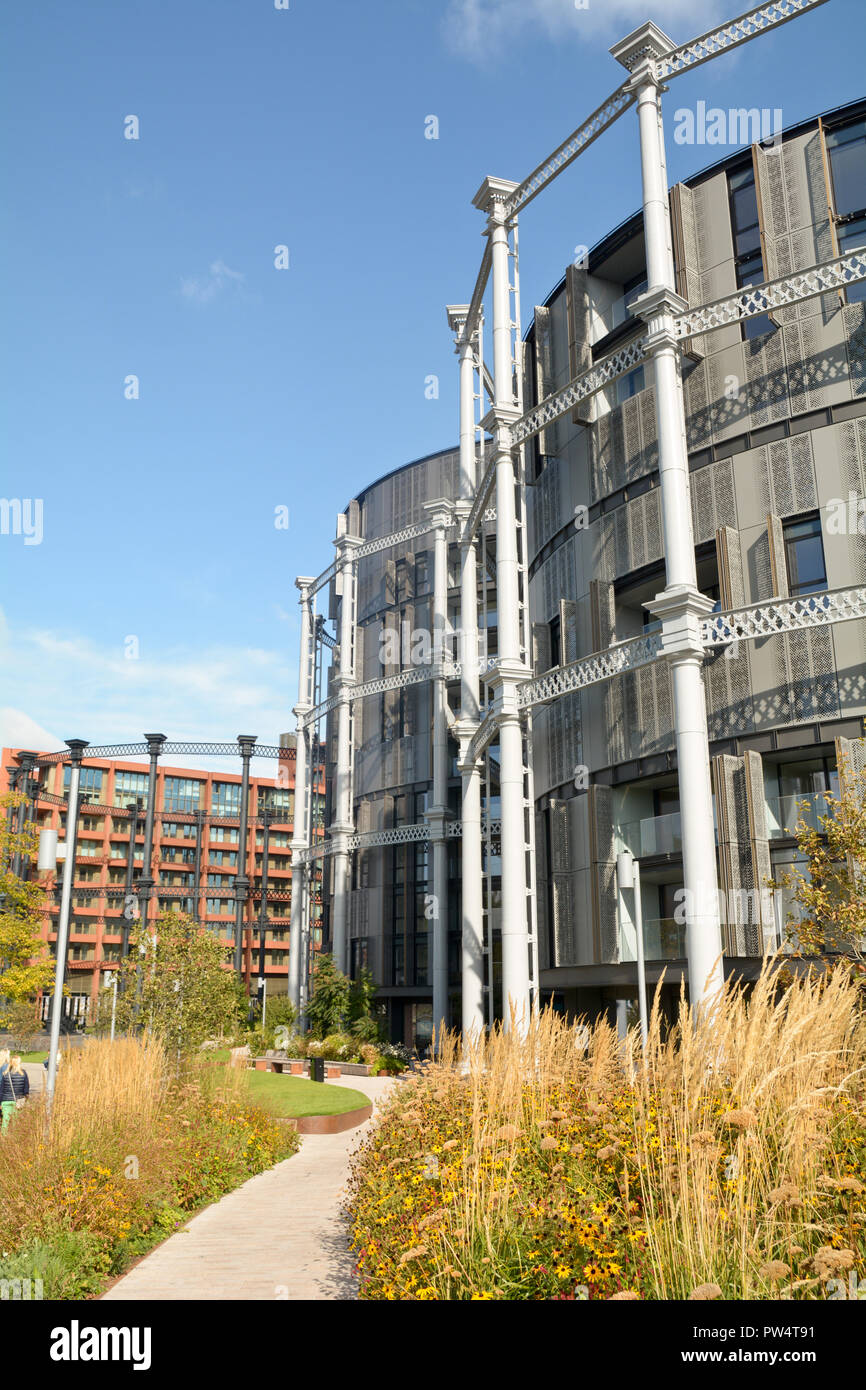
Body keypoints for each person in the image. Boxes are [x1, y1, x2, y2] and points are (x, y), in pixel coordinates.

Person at [1, 1057, 30, 1133]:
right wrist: (25, 1098)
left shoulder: (5, 1074)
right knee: (16, 1121)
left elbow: (2, 1089)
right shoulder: (23, 1073)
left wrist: (0, 1101)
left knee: (5, 1121)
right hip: (18, 1101)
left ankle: (3, 1137)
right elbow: (26, 1089)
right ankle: (14, 1137)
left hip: (6, 1100)